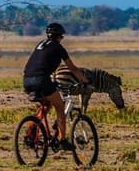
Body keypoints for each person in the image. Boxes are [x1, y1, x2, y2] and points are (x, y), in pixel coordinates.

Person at [22, 22, 90, 151]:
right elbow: (73, 68)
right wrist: (85, 81)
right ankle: (62, 140)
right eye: (62, 37)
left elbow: (42, 64)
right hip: (41, 80)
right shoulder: (58, 47)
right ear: (59, 36)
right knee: (60, 107)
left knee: (47, 104)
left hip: (27, 80)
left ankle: (31, 132)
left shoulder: (40, 45)